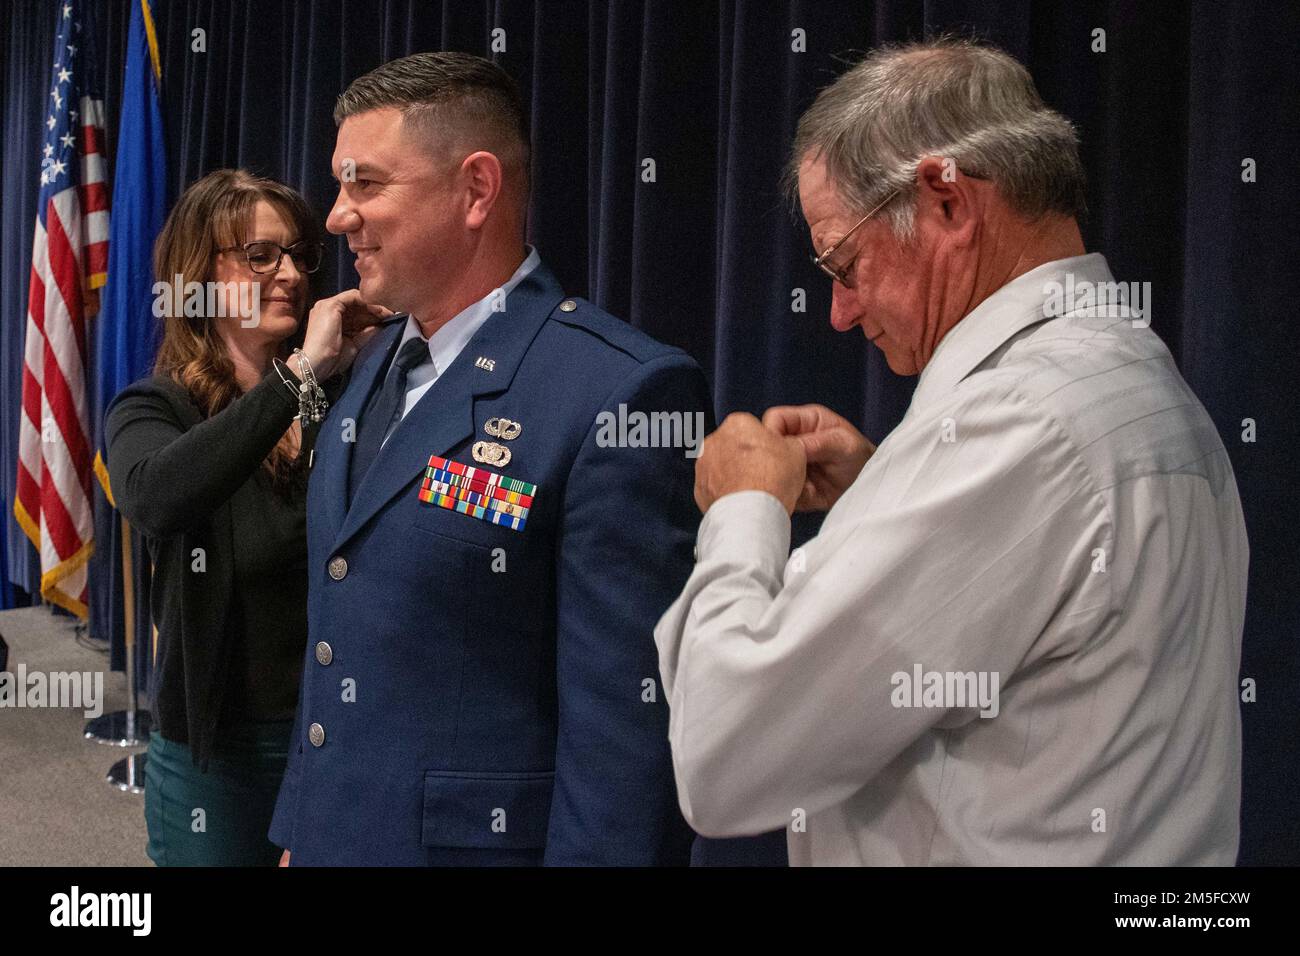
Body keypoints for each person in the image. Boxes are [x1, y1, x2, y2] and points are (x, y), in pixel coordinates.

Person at [654, 39, 1248, 865]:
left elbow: (723, 761)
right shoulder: (1132, 379)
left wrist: (744, 507)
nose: (838, 310)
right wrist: (881, 491)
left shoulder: (1015, 429)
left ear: (946, 200)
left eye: (844, 263)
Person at [269, 52, 707, 865]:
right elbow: (341, 633)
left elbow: (623, 735)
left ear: (476, 189)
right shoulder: (371, 364)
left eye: (365, 184)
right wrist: (303, 825)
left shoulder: (617, 389)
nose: (335, 216)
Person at [106, 169, 386, 865]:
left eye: (296, 254)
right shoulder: (154, 407)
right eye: (261, 255)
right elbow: (156, 498)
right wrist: (296, 381)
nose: (289, 273)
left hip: (336, 735)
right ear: (200, 275)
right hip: (219, 756)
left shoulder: (338, 396)